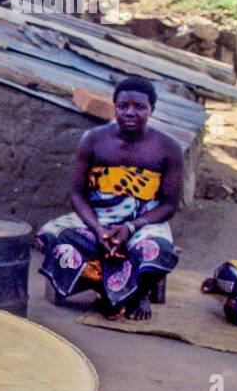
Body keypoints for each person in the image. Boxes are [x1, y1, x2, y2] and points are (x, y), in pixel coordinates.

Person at [35, 75, 183, 321]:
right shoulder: (93, 140)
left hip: (143, 220)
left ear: (152, 110)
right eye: (123, 106)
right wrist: (98, 229)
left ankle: (138, 292)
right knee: (49, 237)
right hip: (98, 216)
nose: (130, 113)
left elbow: (169, 205)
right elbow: (77, 194)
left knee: (155, 249)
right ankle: (111, 289)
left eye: (139, 107)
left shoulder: (168, 147)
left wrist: (130, 226)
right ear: (115, 107)